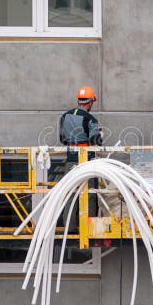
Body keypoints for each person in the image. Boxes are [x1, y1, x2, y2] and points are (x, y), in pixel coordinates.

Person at [53, 86, 103, 222]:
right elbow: (95, 140)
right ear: (91, 102)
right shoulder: (90, 119)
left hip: (71, 159)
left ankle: (70, 226)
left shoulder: (65, 116)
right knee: (90, 193)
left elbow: (62, 139)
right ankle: (89, 224)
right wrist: (100, 136)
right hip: (87, 162)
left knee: (70, 193)